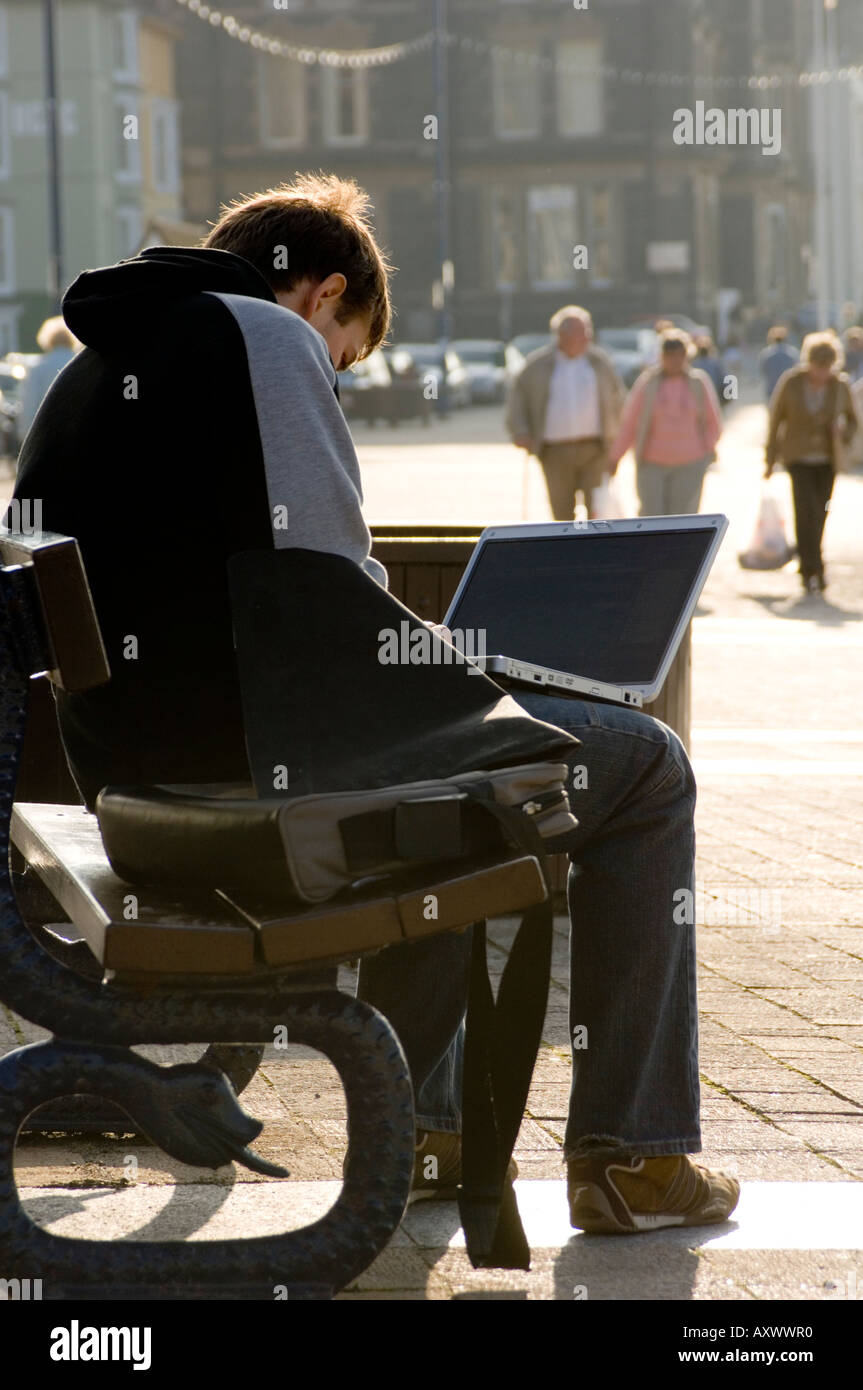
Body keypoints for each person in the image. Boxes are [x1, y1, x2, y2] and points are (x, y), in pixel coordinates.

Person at [9, 174, 738, 1237]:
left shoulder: (89, 366)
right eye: (344, 356)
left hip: (137, 784)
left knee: (442, 778)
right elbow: (317, 585)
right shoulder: (260, 334)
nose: (333, 377)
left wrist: (446, 686)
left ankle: (432, 1130)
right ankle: (636, 1156)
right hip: (250, 790)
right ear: (323, 296)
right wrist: (468, 682)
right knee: (644, 762)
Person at [505, 305, 626, 520]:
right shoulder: (537, 365)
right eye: (582, 332)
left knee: (598, 513)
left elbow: (619, 400)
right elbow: (518, 400)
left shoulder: (599, 363)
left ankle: (597, 552)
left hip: (595, 450)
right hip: (554, 452)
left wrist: (618, 442)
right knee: (561, 513)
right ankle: (567, 552)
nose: (587, 337)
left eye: (588, 331)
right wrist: (520, 431)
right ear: (562, 335)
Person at [765, 331, 858, 594]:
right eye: (818, 367)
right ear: (809, 363)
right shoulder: (792, 382)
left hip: (828, 459)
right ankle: (811, 568)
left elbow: (854, 420)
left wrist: (843, 435)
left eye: (827, 368)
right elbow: (776, 421)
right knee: (805, 510)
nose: (821, 373)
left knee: (821, 511)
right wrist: (770, 459)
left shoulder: (840, 385)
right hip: (797, 457)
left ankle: (811, 562)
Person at [608, 329, 723, 516]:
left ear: (687, 355)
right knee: (652, 519)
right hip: (652, 464)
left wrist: (705, 450)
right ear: (661, 356)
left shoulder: (698, 382)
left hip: (690, 463)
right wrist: (615, 457)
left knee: (683, 519)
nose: (674, 361)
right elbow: (629, 423)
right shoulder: (648, 383)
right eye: (669, 356)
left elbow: (713, 422)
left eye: (679, 355)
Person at [17, 317, 78, 440]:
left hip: (47, 435)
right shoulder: (80, 365)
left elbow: (30, 405)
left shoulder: (38, 368)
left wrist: (25, 436)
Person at [758, 326, 798, 402]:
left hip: (772, 389)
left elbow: (763, 370)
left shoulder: (765, 354)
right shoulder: (792, 353)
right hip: (789, 390)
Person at [693, 334, 727, 405]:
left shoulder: (694, 364)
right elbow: (723, 379)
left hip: (698, 396)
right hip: (715, 394)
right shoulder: (715, 363)